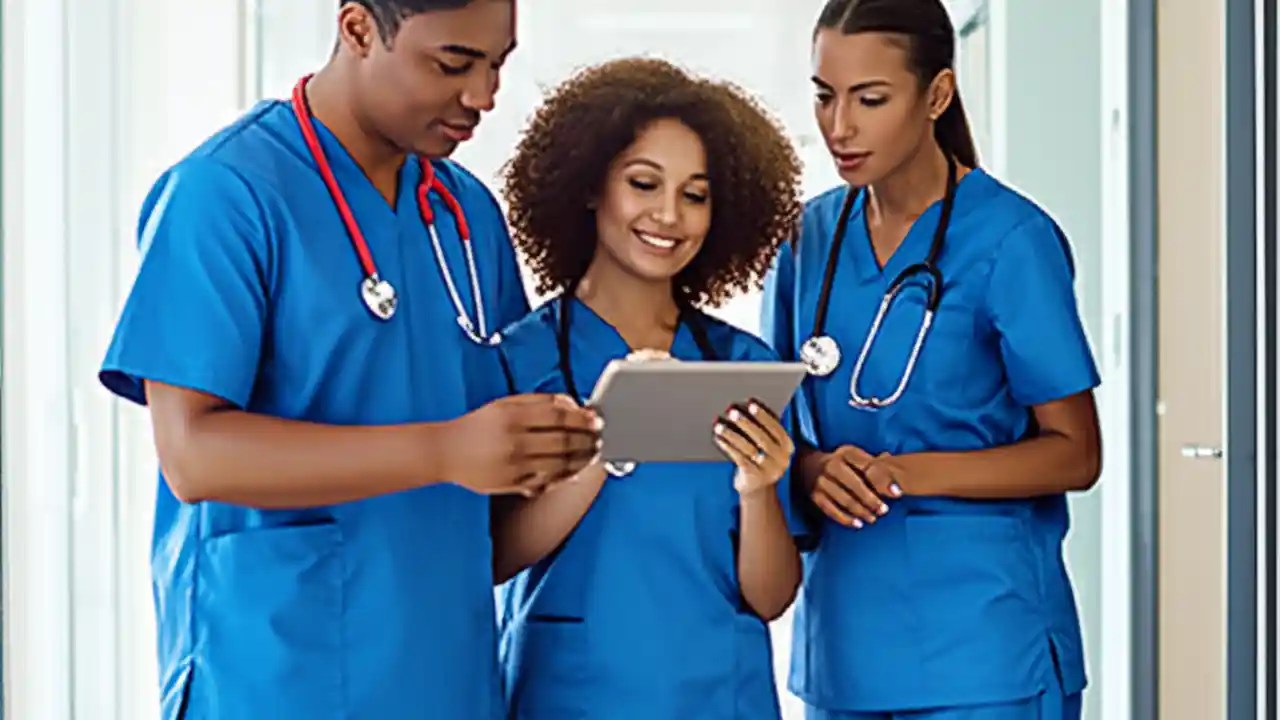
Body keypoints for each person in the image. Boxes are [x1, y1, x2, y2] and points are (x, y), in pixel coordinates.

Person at [98, 2, 602, 718]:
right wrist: (445, 450)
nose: (483, 96)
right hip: (276, 680)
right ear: (359, 28)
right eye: (454, 63)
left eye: (498, 64)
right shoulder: (225, 194)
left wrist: (586, 442)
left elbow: (486, 511)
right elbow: (193, 454)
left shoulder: (465, 218)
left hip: (447, 683)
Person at [761, 2, 1103, 719]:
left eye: (870, 99)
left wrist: (904, 473)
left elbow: (1075, 454)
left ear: (937, 96)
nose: (839, 126)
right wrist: (816, 469)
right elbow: (778, 429)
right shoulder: (807, 240)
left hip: (983, 649)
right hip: (842, 653)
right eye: (825, 95)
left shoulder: (1011, 239)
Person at [490, 57, 807, 719]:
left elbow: (772, 597)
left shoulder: (738, 365)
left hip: (720, 697)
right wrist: (605, 443)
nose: (669, 215)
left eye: (696, 194)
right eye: (643, 183)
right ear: (587, 186)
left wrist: (757, 491)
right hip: (569, 695)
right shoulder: (518, 359)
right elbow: (492, 556)